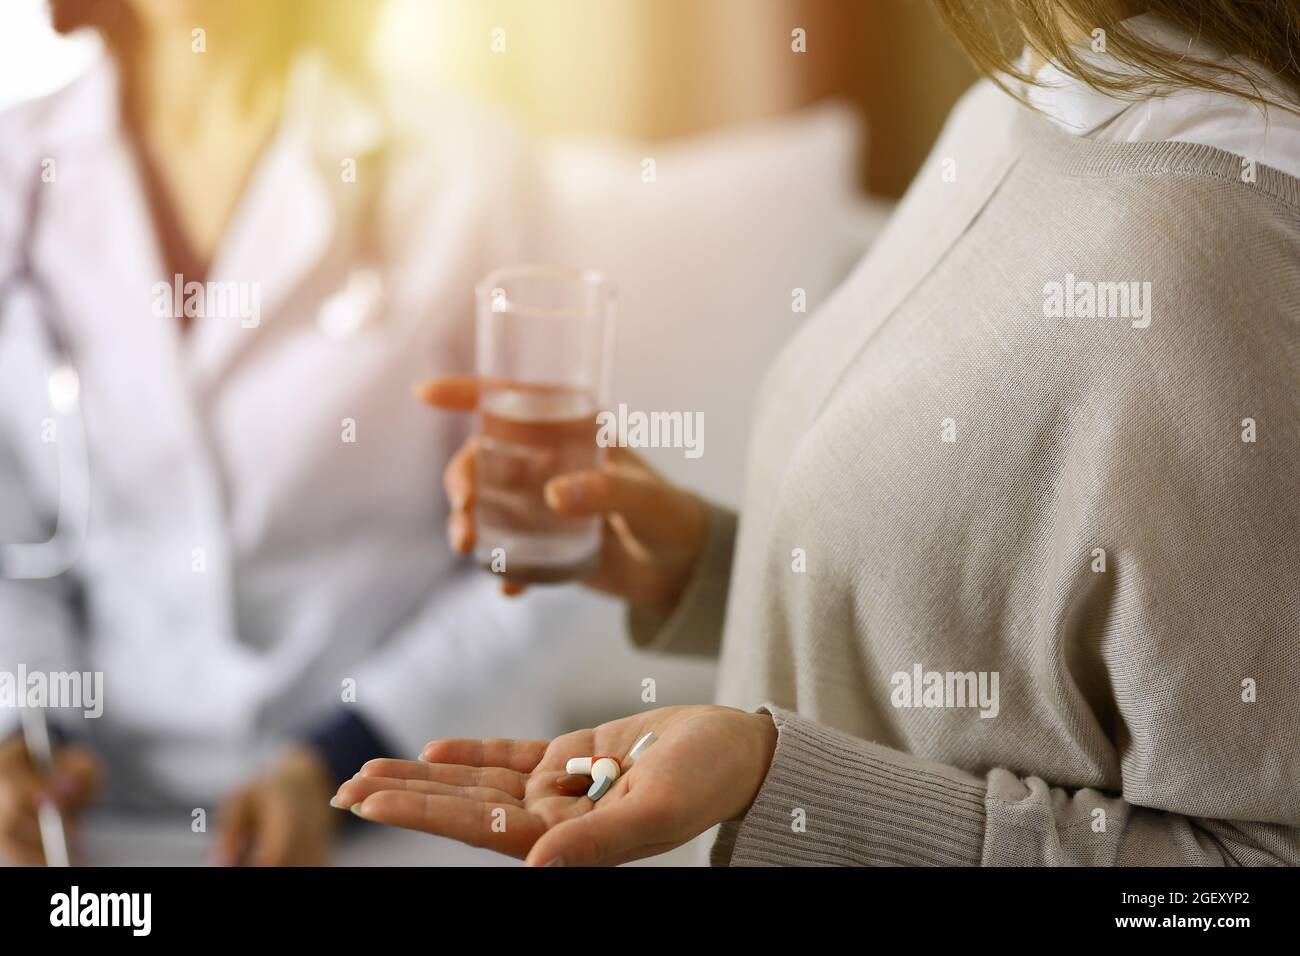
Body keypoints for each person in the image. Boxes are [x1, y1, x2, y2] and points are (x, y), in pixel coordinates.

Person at [333, 2, 1300, 866]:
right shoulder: (1021, 107)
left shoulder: (1223, 266)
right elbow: (1007, 639)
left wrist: (782, 791)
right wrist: (713, 569)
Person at [0, 0, 554, 864]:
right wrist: (21, 746)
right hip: (87, 812)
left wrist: (338, 757)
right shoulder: (15, 165)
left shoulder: (467, 166)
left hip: (403, 795)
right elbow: (13, 543)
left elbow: (550, 554)